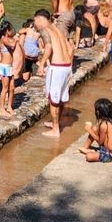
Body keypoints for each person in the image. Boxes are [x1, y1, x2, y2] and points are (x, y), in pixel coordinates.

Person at [35, 8, 75, 136]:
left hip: (57, 67)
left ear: (40, 19)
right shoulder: (57, 28)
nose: (35, 23)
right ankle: (55, 123)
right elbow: (71, 48)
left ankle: (55, 129)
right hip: (66, 66)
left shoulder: (44, 29)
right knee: (61, 97)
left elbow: (48, 47)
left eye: (35, 20)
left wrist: (41, 65)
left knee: (53, 99)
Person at [77, 98, 112, 162]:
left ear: (98, 112)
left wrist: (89, 130)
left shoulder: (104, 125)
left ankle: (90, 151)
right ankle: (85, 147)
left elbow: (100, 142)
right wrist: (92, 129)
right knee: (95, 128)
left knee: (89, 157)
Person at [0, 22, 18, 117]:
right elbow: (13, 46)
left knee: (12, 88)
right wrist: (16, 39)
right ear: (6, 31)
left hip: (10, 67)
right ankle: (1, 109)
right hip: (4, 67)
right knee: (5, 88)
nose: (11, 31)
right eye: (10, 29)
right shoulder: (3, 39)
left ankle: (9, 107)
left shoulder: (8, 39)